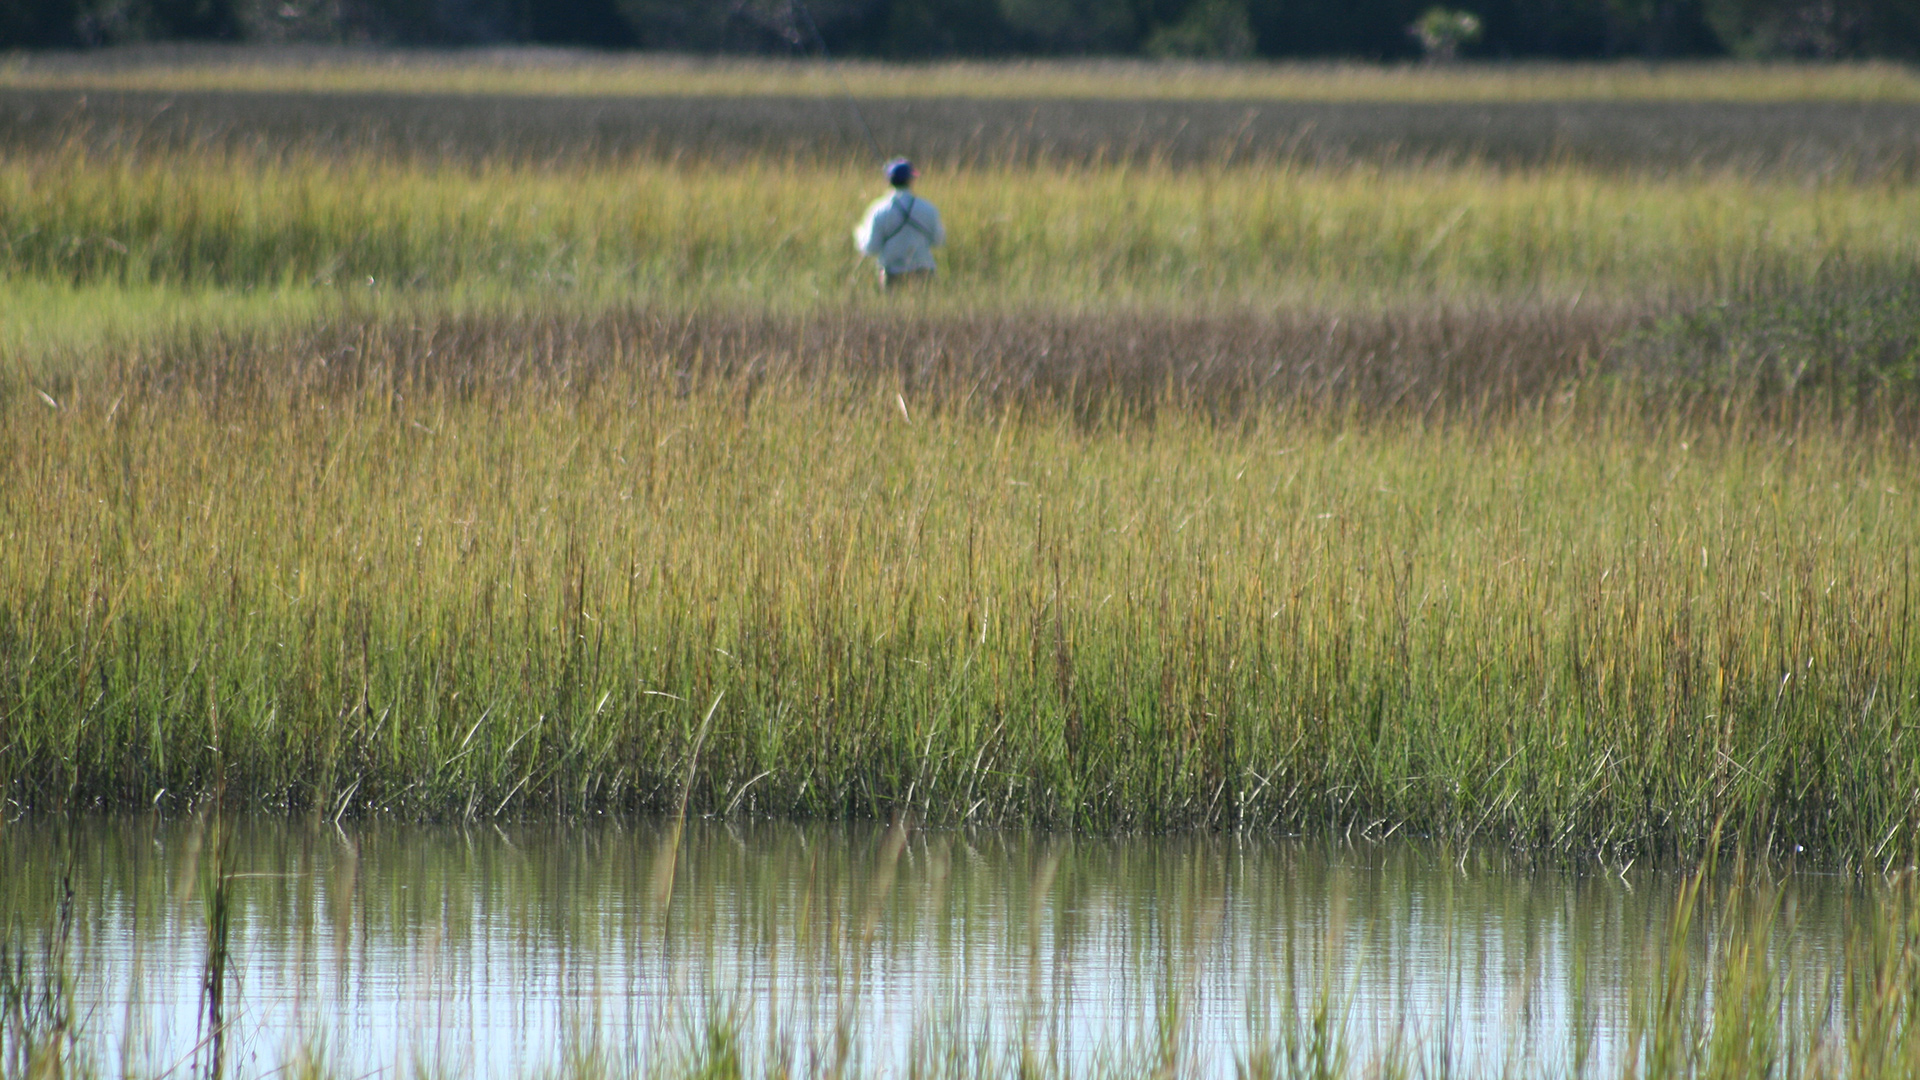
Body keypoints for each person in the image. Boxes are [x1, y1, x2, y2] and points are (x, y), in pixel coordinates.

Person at [853, 158, 944, 290]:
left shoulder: (878, 210)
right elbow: (939, 241)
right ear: (911, 180)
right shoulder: (928, 208)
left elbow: (871, 248)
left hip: (892, 276)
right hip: (924, 274)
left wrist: (859, 234)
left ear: (888, 181)